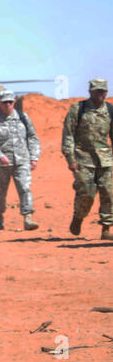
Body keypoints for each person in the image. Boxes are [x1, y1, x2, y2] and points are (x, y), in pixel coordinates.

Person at [61, 78, 113, 240]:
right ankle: (78, 217)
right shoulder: (79, 109)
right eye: (97, 91)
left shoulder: (110, 110)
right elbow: (68, 135)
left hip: (105, 159)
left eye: (102, 91)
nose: (100, 94)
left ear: (106, 92)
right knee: (87, 193)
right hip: (83, 158)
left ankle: (106, 228)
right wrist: (71, 159)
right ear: (90, 92)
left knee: (108, 193)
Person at [0, 89, 41, 230]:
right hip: (1, 164)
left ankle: (28, 218)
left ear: (14, 102)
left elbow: (33, 138)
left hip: (22, 161)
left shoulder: (23, 117)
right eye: (5, 103)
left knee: (25, 188)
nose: (8, 105)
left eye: (10, 102)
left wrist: (34, 158)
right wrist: (0, 156)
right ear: (0, 104)